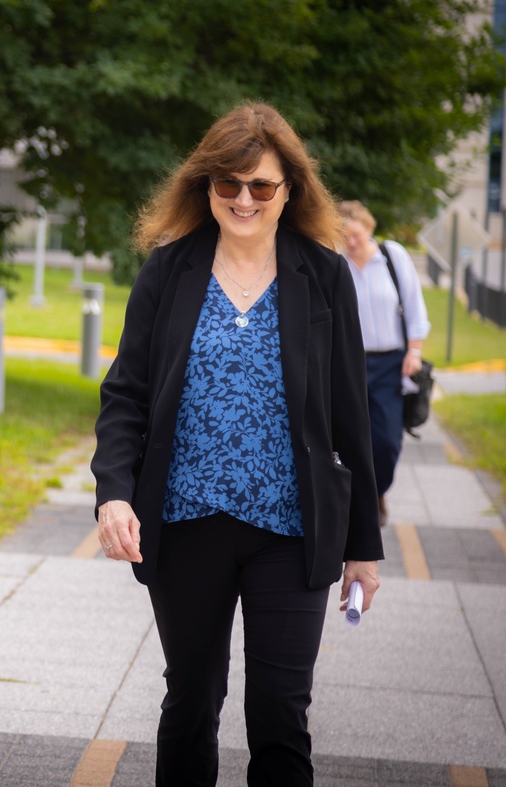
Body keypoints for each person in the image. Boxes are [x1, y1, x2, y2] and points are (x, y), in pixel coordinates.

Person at [91, 102, 384, 787]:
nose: (244, 198)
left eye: (261, 185)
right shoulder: (169, 270)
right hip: (186, 525)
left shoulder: (324, 276)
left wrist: (364, 546)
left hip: (291, 528)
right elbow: (126, 395)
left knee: (281, 712)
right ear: (206, 186)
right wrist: (113, 493)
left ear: (290, 192)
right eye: (229, 184)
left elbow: (350, 417)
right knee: (191, 702)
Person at [338, 199, 430, 525]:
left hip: (391, 363)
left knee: (387, 441)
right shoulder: (337, 263)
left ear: (368, 227)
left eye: (355, 234)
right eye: (343, 236)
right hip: (349, 364)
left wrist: (414, 351)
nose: (350, 242)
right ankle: (358, 501)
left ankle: (378, 491)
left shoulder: (392, 256)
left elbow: (414, 305)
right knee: (350, 437)